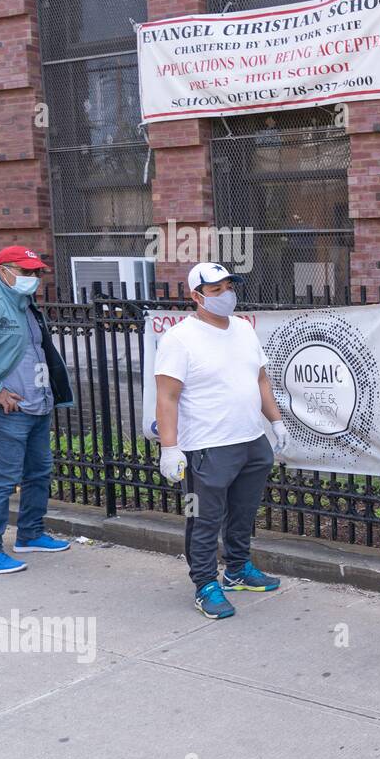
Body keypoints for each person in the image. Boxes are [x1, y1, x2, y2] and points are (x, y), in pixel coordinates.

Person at [154, 263, 291, 617]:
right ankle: (204, 584)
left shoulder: (243, 329)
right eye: (215, 290)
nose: (225, 295)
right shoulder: (179, 339)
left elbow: (260, 379)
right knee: (201, 518)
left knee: (243, 513)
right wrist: (170, 449)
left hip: (250, 442)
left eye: (228, 287)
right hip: (205, 450)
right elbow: (166, 397)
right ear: (196, 296)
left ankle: (237, 568)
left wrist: (276, 422)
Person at [0, 246, 74, 574]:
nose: (33, 279)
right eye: (26, 272)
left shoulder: (25, 305)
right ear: (4, 271)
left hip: (36, 405)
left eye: (36, 273)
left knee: (38, 472)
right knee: (3, 479)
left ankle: (30, 533)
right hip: (10, 410)